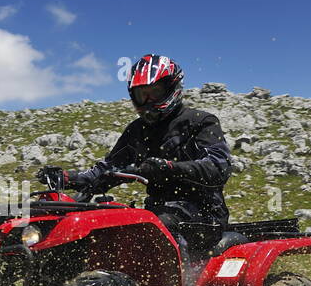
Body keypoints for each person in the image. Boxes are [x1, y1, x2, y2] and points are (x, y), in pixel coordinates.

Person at [37, 53, 234, 260]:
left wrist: (169, 168)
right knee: (111, 224)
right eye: (142, 95)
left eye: (155, 92)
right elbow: (107, 168)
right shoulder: (137, 130)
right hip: (156, 211)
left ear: (171, 87)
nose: (148, 100)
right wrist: (68, 177)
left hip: (204, 214)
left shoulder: (200, 121)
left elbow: (218, 167)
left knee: (159, 227)